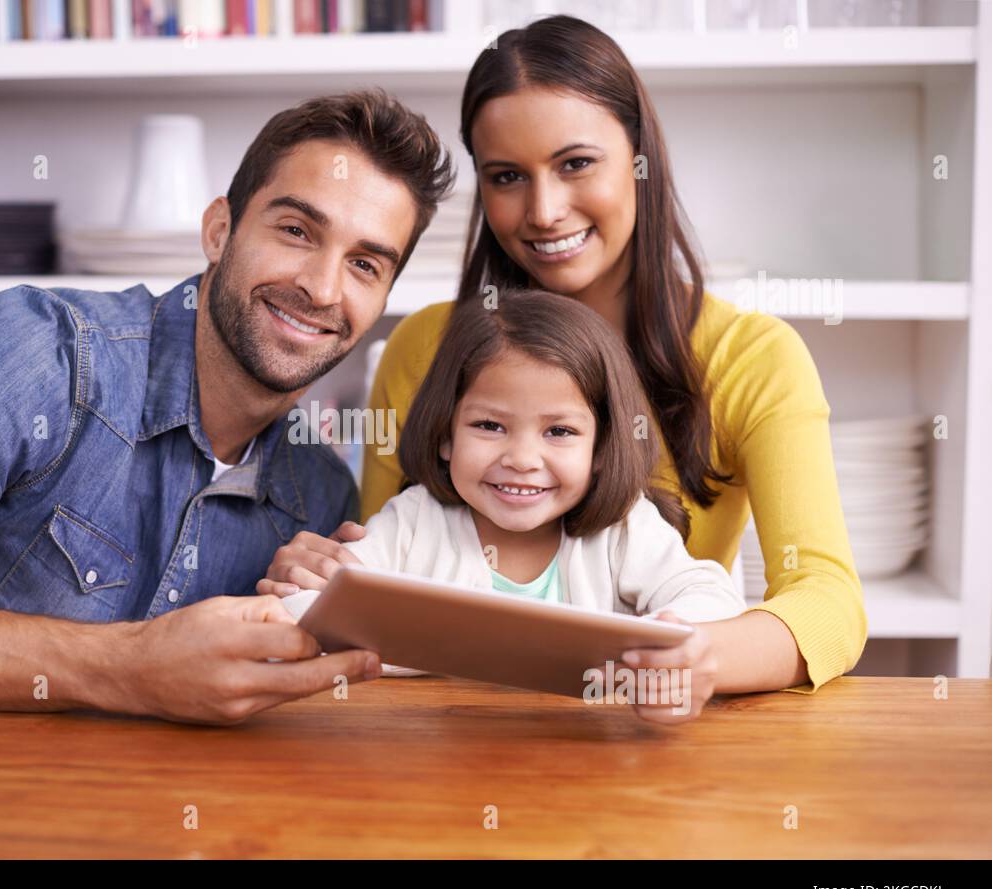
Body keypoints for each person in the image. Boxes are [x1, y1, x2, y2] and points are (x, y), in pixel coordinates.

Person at [0, 89, 455, 725]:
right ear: (219, 230)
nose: (324, 288)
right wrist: (128, 665)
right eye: (296, 230)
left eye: (366, 264)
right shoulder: (38, 351)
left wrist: (313, 619)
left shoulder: (318, 494)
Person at [260, 16, 867, 713]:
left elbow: (829, 601)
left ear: (640, 158)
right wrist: (328, 575)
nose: (544, 211)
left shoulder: (751, 358)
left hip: (638, 725)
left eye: (576, 163)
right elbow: (399, 565)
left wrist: (702, 656)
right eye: (508, 176)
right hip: (439, 732)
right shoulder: (424, 350)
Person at [267, 290, 746, 715]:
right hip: (442, 766)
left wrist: (669, 642)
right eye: (489, 426)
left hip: (588, 762)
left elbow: (712, 600)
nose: (521, 459)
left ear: (600, 451)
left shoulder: (624, 529)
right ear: (445, 435)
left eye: (559, 432)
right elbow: (309, 610)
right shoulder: (414, 520)